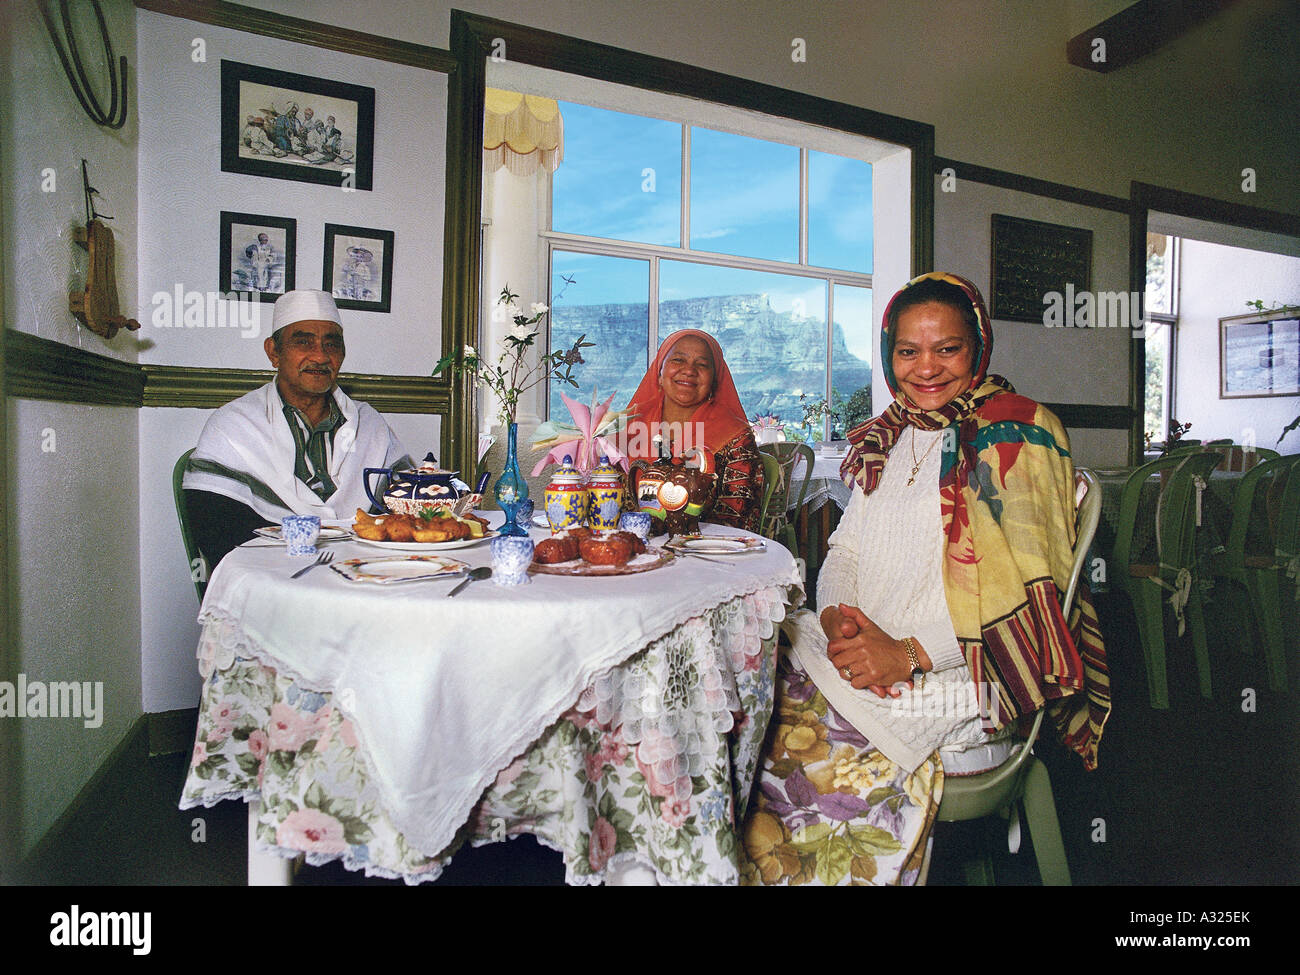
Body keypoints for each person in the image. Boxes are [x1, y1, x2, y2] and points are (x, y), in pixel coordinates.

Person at [740, 272, 1110, 885]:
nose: (926, 368)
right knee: (751, 702)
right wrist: (839, 619)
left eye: (948, 349)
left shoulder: (1017, 433)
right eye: (908, 351)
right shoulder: (893, 433)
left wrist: (906, 654)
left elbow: (1026, 603)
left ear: (979, 347)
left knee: (797, 763)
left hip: (967, 672)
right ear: (890, 355)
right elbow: (846, 548)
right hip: (862, 652)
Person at [182, 290, 410, 570]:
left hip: (366, 575)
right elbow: (215, 533)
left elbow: (406, 508)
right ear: (273, 352)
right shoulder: (235, 425)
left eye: (331, 344)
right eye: (303, 342)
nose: (320, 356)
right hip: (273, 579)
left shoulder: (370, 424)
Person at [624, 328, 764, 531]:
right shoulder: (630, 425)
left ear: (714, 381)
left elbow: (737, 518)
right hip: (635, 550)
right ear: (659, 373)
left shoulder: (735, 436)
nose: (689, 370)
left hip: (705, 551)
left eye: (702, 364)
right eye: (678, 360)